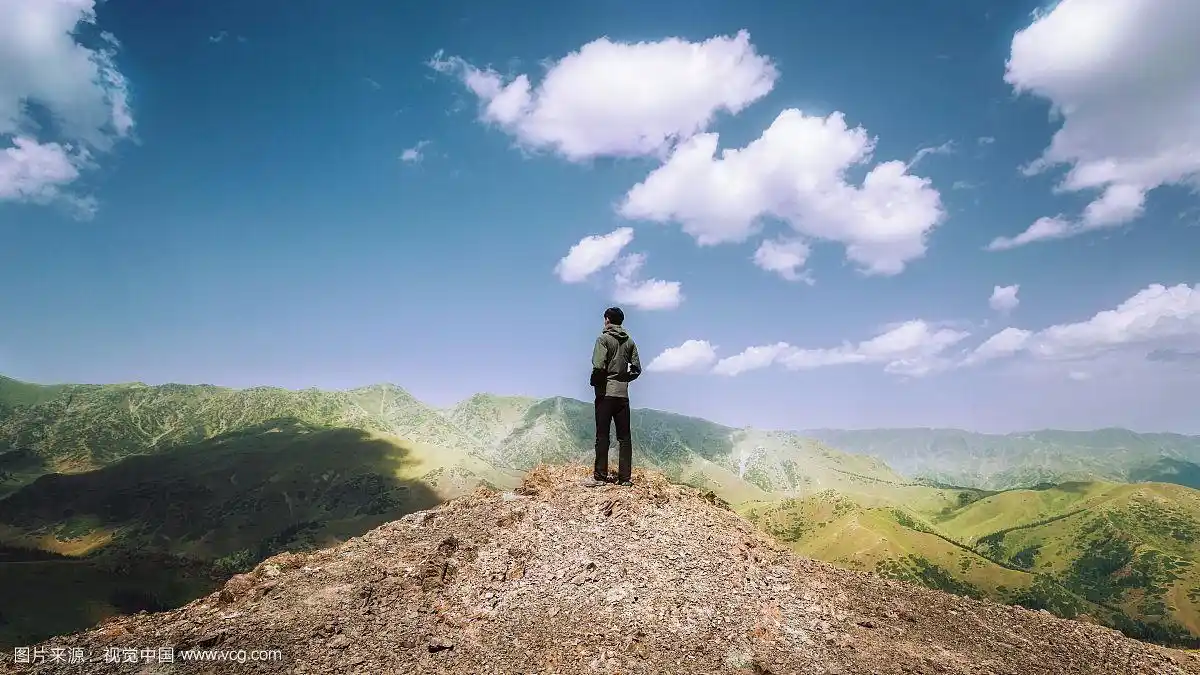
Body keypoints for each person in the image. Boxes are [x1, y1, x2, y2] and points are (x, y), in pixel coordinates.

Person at [585, 307, 641, 487]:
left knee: (602, 435)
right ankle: (625, 479)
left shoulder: (603, 339)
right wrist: (623, 379)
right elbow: (637, 369)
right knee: (624, 437)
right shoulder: (630, 342)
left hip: (605, 394)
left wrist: (596, 383)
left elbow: (599, 366)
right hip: (622, 395)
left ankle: (600, 477)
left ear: (608, 320)